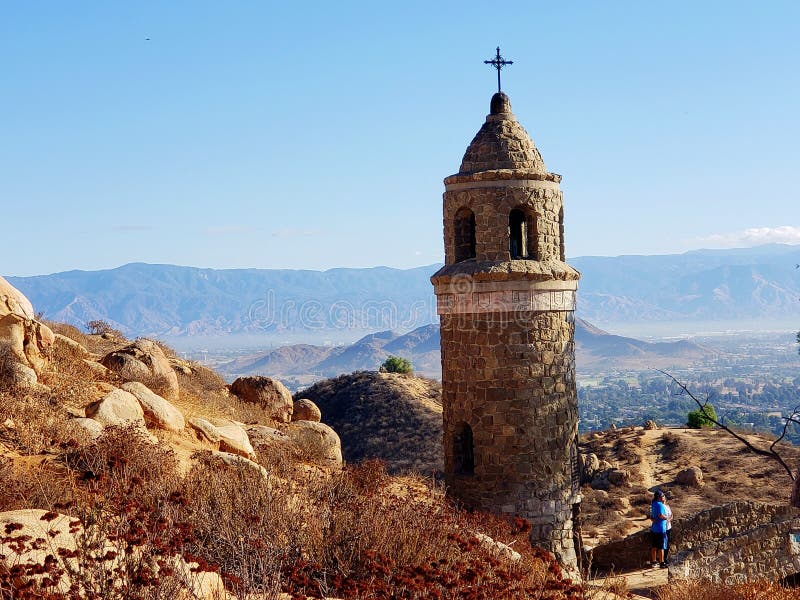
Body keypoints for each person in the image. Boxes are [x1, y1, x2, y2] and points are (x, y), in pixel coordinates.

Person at [649, 490, 669, 568]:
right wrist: (667, 518)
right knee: (661, 547)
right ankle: (662, 563)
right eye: (663, 496)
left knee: (654, 546)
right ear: (660, 497)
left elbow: (653, 515)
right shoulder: (660, 505)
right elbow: (661, 515)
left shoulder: (653, 504)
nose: (664, 497)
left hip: (654, 528)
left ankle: (653, 561)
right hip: (661, 528)